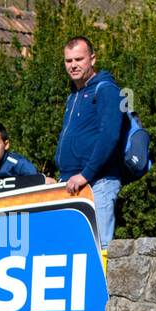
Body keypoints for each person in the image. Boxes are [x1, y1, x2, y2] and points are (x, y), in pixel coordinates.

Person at [55, 35, 127, 248]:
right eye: (69, 61)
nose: (73, 65)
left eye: (79, 59)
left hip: (98, 182)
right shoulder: (74, 95)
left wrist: (86, 174)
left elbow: (109, 136)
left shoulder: (105, 89)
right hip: (71, 183)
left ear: (92, 59)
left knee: (99, 249)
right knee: (73, 250)